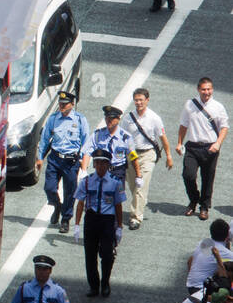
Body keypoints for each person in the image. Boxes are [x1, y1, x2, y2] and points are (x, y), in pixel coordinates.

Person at [73, 150, 126, 298]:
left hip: (107, 221)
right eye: (97, 163)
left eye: (103, 163)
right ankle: (94, 286)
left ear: (108, 164)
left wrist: (119, 227)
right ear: (94, 164)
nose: (100, 166)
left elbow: (118, 205)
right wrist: (76, 225)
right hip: (91, 219)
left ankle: (105, 283)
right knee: (90, 255)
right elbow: (80, 203)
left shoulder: (116, 182)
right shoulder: (87, 181)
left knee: (107, 254)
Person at [36, 89, 89, 235]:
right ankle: (57, 206)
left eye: (65, 104)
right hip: (55, 158)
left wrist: (84, 167)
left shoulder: (80, 120)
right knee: (49, 187)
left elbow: (86, 143)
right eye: (60, 103)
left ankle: (65, 219)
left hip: (71, 162)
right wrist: (40, 157)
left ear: (72, 104)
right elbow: (45, 138)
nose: (62, 106)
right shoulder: (53, 118)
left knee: (70, 192)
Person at [176, 76, 229, 218]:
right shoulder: (190, 104)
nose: (206, 92)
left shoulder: (218, 107)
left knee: (207, 178)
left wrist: (218, 143)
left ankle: (204, 206)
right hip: (192, 147)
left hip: (210, 147)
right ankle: (193, 199)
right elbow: (183, 124)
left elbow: (224, 127)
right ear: (198, 90)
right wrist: (180, 142)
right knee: (188, 175)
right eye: (204, 89)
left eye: (209, 89)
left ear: (212, 89)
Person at [124, 88, 174, 231]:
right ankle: (140, 203)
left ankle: (135, 217)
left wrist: (169, 156)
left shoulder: (154, 118)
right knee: (133, 185)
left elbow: (163, 138)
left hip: (147, 154)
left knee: (141, 185)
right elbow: (124, 138)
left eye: (141, 100)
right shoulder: (128, 118)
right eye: (136, 100)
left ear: (147, 100)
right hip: (132, 155)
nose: (138, 102)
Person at [81, 106, 138, 184]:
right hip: (101, 171)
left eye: (112, 118)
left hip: (118, 172)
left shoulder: (125, 137)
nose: (109, 121)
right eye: (107, 118)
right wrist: (84, 171)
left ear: (118, 119)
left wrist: (138, 175)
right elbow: (87, 152)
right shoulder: (98, 135)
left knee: (117, 195)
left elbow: (133, 156)